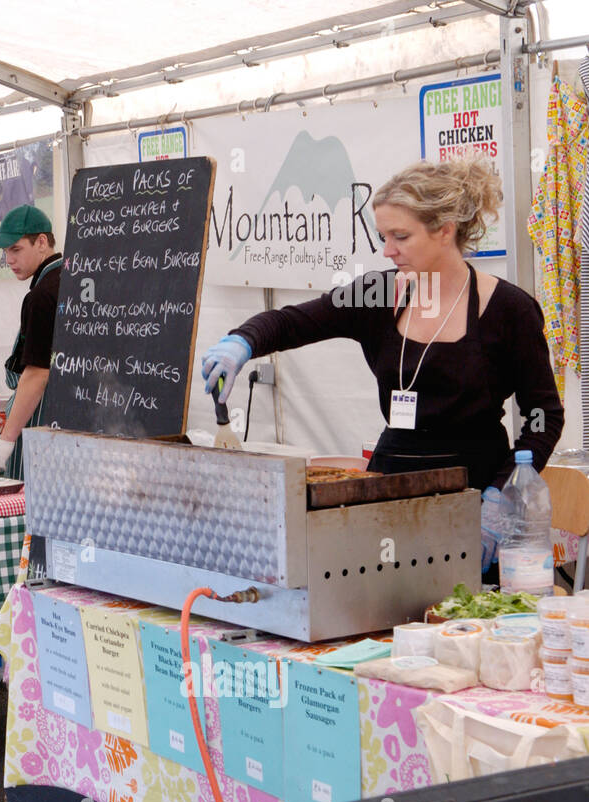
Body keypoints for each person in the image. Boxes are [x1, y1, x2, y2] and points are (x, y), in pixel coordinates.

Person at [201, 156, 564, 572]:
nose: (387, 250)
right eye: (383, 236)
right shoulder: (377, 294)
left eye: (401, 236)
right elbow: (290, 323)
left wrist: (504, 497)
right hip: (388, 490)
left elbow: (543, 417)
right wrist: (241, 342)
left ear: (445, 231)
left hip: (475, 490)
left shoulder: (510, 310)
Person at [0, 204, 61, 479]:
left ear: (41, 242)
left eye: (16, 249)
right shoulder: (76, 278)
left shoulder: (41, 296)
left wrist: (6, 440)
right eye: (5, 252)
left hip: (43, 421)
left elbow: (37, 374)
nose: (9, 260)